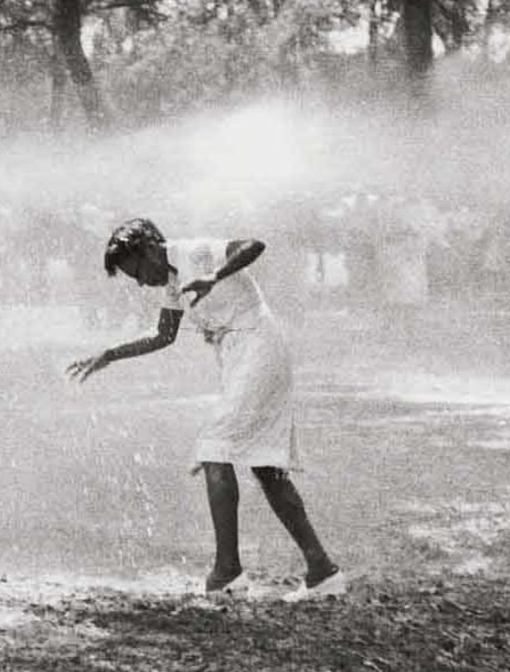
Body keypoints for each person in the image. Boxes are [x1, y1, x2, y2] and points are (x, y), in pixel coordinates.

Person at [69, 218, 345, 597]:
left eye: (137, 272)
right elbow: (163, 335)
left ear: (149, 249)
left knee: (216, 449)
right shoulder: (171, 281)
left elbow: (253, 243)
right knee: (266, 466)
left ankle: (227, 572)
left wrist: (214, 275)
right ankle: (322, 570)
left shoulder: (194, 252)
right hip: (239, 356)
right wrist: (110, 354)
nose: (141, 283)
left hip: (258, 347)